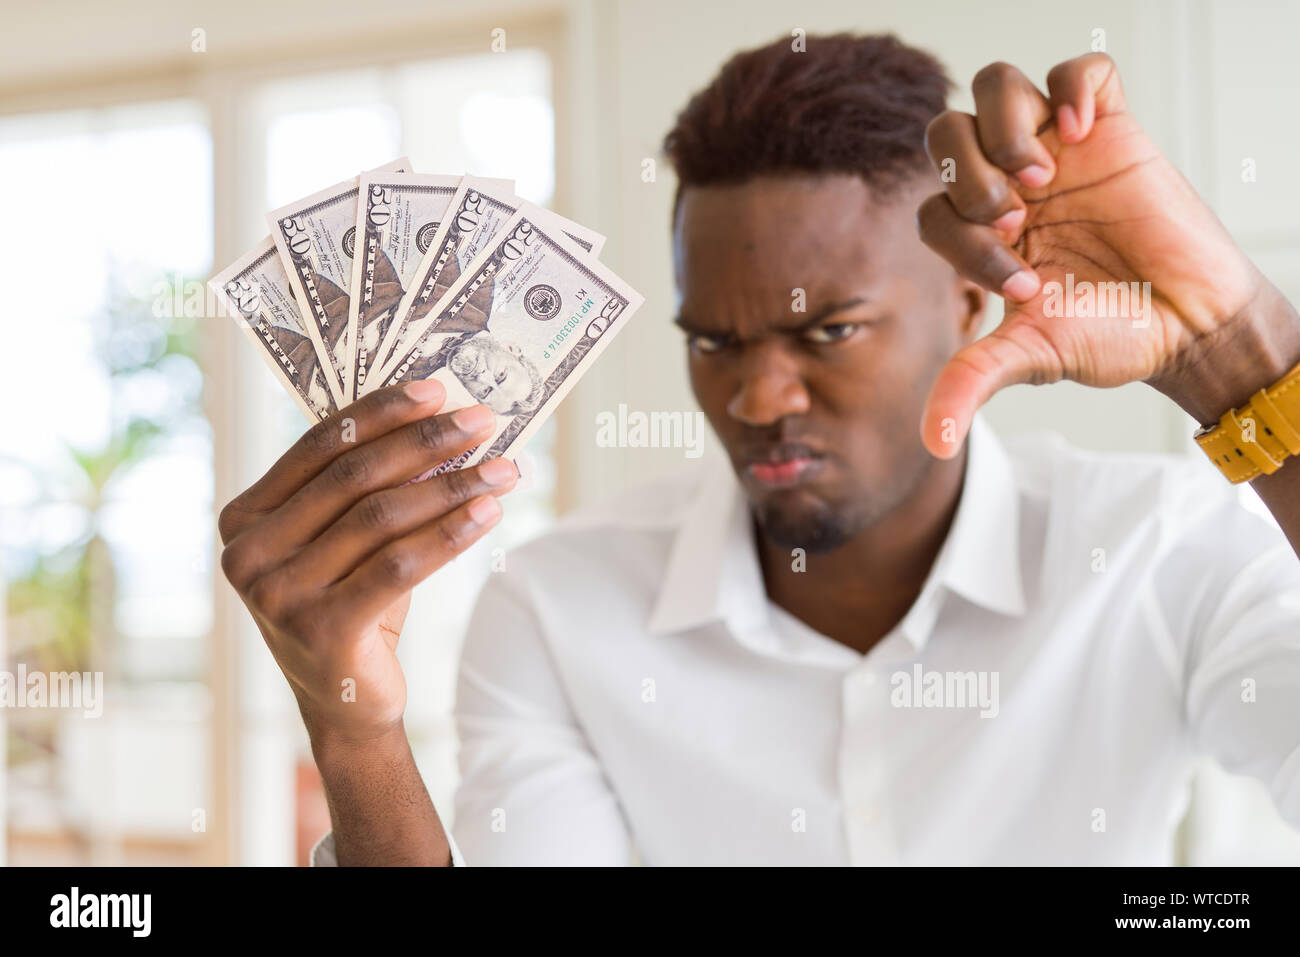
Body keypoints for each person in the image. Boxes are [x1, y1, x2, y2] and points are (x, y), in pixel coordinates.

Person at [217, 33, 1300, 865]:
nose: (756, 394)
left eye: (826, 331)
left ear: (971, 300)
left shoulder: (1160, 548)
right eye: (713, 341)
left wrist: (1239, 352)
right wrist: (355, 738)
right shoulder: (556, 605)